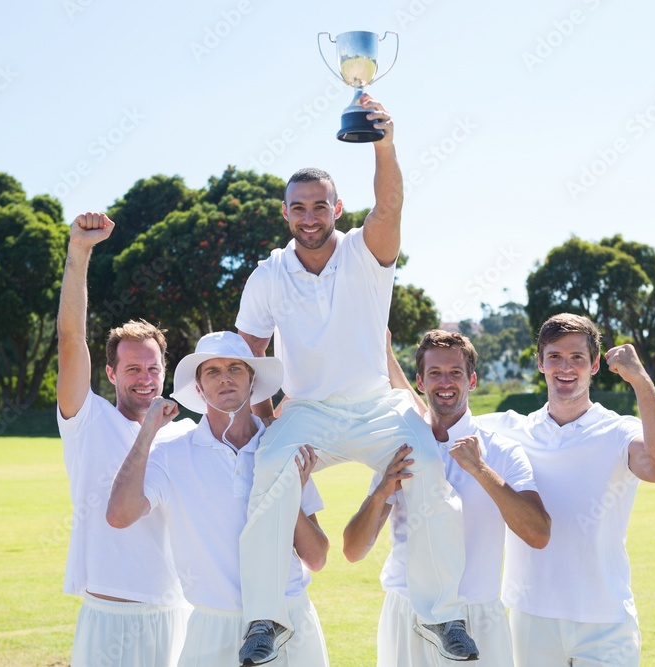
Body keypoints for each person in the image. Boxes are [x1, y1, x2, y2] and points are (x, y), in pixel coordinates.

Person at [234, 95, 477, 665]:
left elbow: (389, 206)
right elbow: (250, 355)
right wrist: (269, 421)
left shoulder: (366, 252)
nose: (310, 217)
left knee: (427, 469)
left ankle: (441, 616)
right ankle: (265, 619)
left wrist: (384, 142)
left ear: (338, 208)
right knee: (268, 471)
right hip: (308, 412)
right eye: (299, 208)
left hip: (377, 409)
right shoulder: (268, 275)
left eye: (320, 206)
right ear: (286, 213)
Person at [106, 331, 330, 666]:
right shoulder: (171, 454)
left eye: (235, 368)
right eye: (212, 371)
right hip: (212, 628)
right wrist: (148, 431)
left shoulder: (284, 448)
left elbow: (316, 557)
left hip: (289, 621)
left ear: (252, 381)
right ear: (198, 387)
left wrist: (288, 493)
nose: (225, 378)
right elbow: (119, 515)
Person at [478, 313, 655, 666]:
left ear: (594, 365)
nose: (565, 367)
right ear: (540, 363)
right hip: (531, 616)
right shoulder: (510, 430)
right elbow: (434, 415)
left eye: (577, 358)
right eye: (555, 356)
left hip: (604, 619)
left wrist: (639, 379)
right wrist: (386, 355)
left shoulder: (619, 431)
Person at [344, 329, 551, 666]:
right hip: (406, 610)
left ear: (471, 380)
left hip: (476, 614)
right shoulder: (399, 451)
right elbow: (353, 550)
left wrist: (480, 469)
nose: (445, 382)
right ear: (420, 382)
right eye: (435, 374)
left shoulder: (501, 451)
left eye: (455, 373)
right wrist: (383, 490)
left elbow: (538, 534)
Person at [56, 211, 195, 666]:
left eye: (153, 368)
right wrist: (79, 252)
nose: (145, 378)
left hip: (176, 610)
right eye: (133, 368)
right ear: (112, 373)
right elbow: (72, 339)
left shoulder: (184, 432)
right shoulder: (88, 420)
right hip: (109, 613)